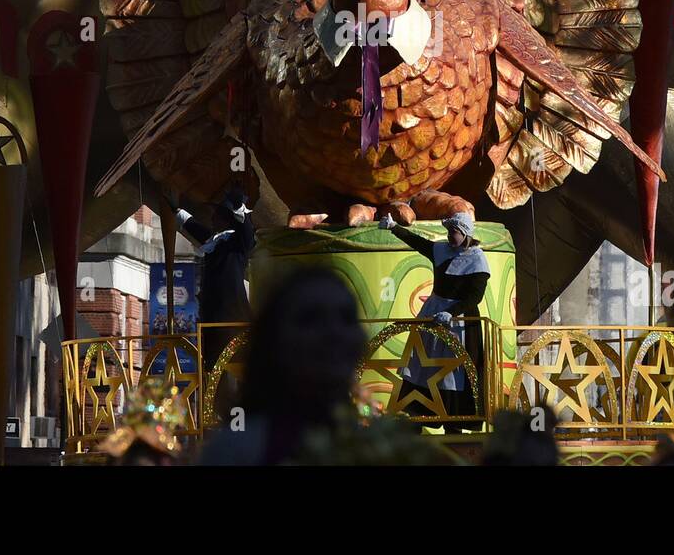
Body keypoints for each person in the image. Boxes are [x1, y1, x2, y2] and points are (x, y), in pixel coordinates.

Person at [198, 267, 367, 465]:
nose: (334, 333)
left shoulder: (380, 446)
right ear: (275, 338)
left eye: (346, 318)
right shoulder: (235, 452)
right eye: (312, 319)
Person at [383, 212, 490, 430]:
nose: (450, 236)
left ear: (466, 234)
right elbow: (419, 242)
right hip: (432, 315)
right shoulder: (441, 250)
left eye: (455, 232)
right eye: (449, 231)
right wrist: (394, 227)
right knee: (422, 366)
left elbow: (474, 297)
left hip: (460, 321)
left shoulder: (477, 260)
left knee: (453, 373)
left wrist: (452, 312)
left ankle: (454, 424)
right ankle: (416, 418)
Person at [164, 188, 255, 373]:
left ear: (226, 218)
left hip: (231, 316)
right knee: (212, 364)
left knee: (234, 364)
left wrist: (238, 206)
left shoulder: (237, 242)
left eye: (216, 215)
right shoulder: (214, 240)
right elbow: (192, 226)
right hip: (212, 316)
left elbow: (246, 229)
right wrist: (176, 210)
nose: (212, 219)